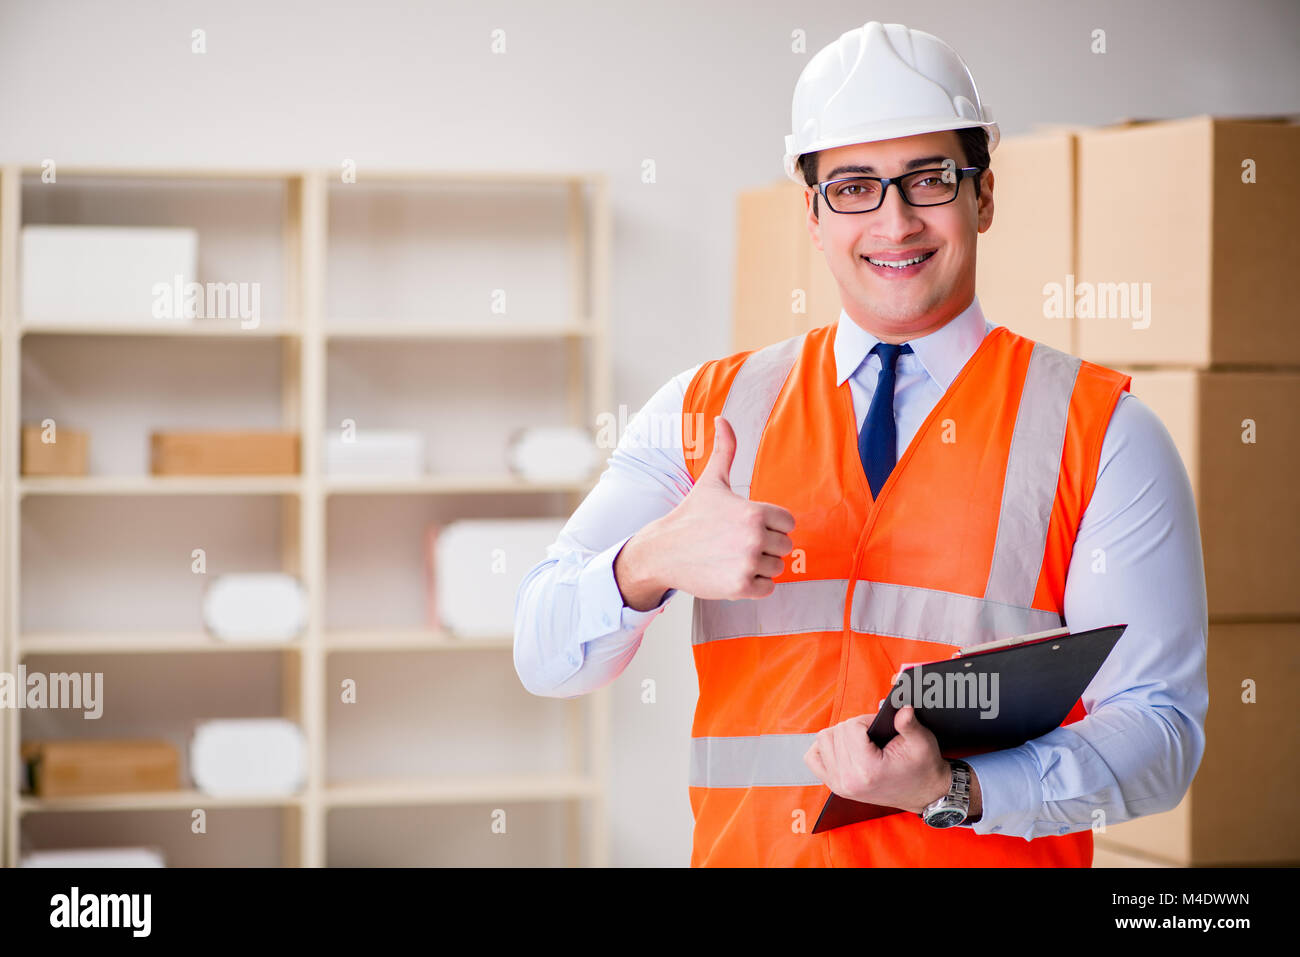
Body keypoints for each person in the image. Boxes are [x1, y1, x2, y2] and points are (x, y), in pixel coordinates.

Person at [514, 20, 1207, 867]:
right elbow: (543, 653)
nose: (895, 221)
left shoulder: (1102, 431)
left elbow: (1161, 732)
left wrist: (957, 790)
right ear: (811, 213)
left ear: (983, 195)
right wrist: (648, 560)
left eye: (929, 180)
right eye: (853, 188)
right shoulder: (708, 410)